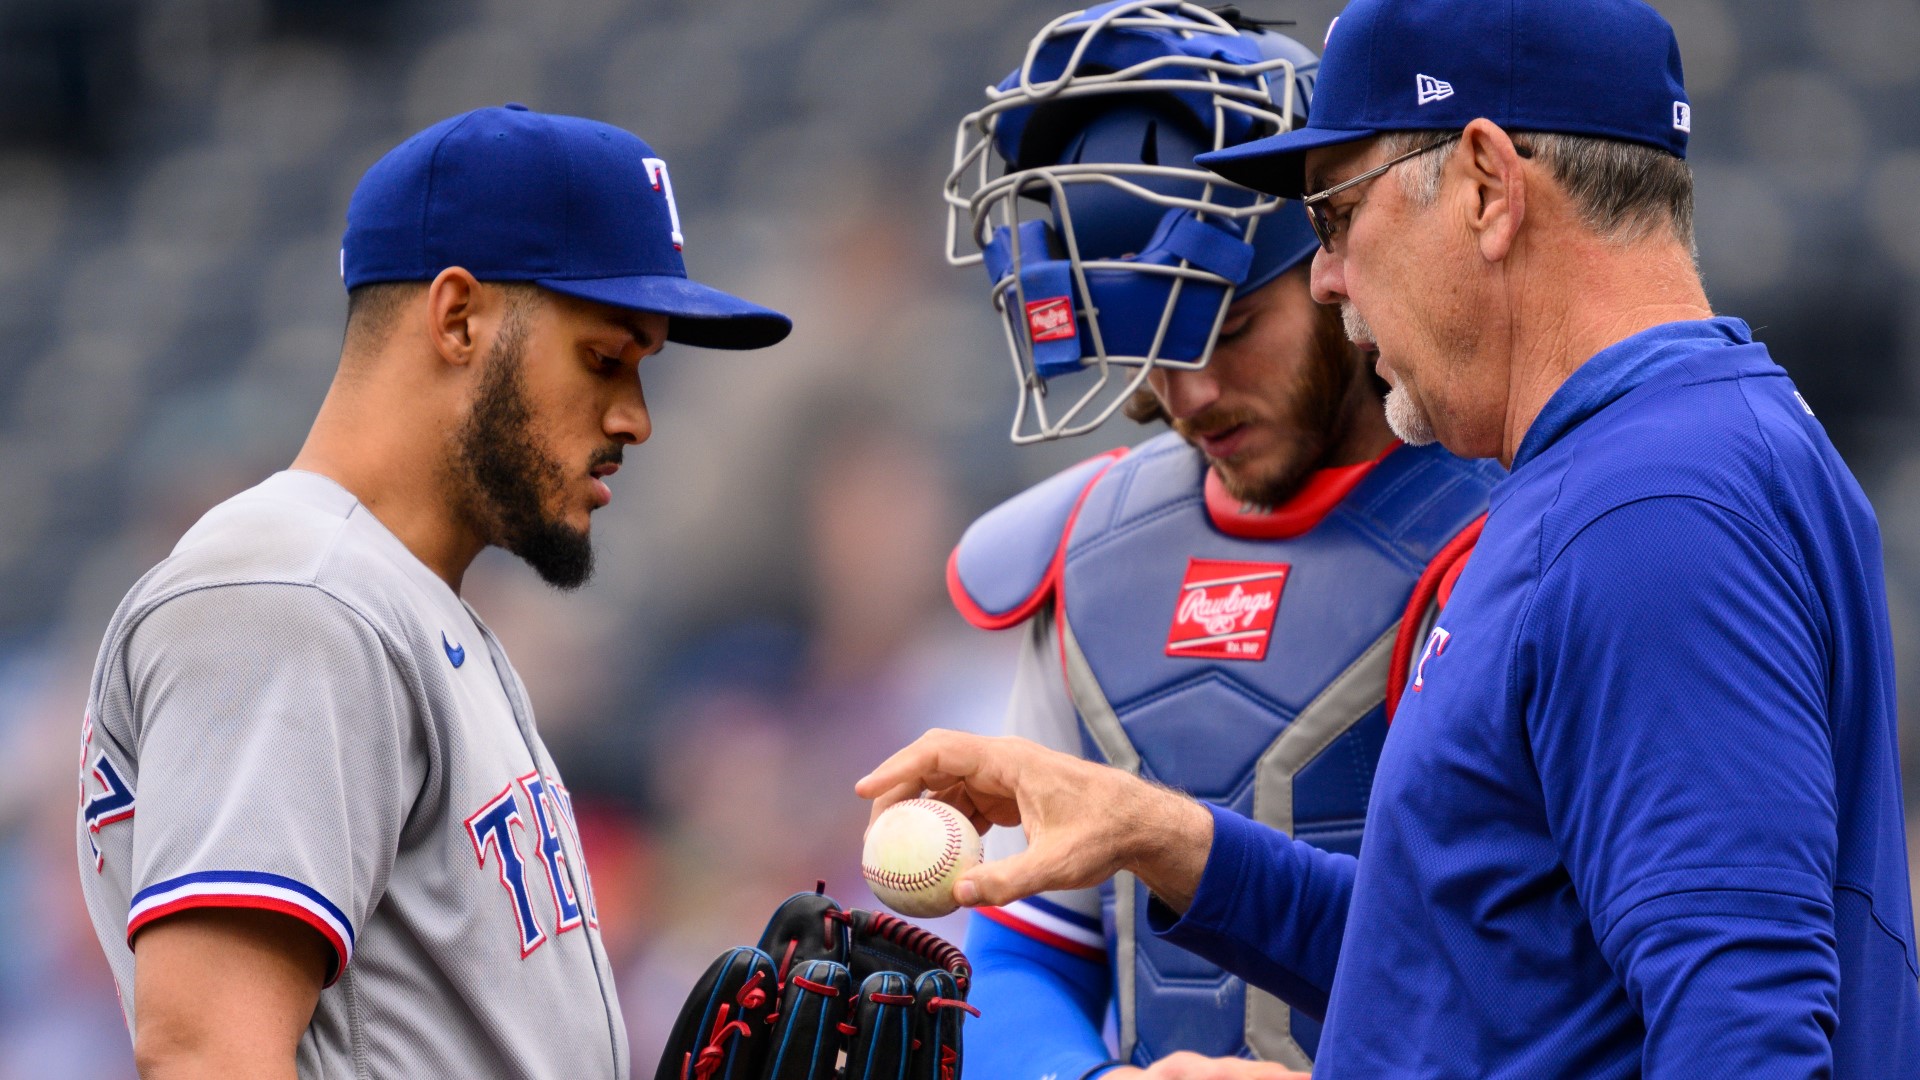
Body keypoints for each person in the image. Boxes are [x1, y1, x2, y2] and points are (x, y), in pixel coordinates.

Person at [864, 0, 1920, 1076]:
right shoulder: (1644, 465)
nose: (1328, 277)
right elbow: (1464, 966)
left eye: (1333, 215)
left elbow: (1746, 1040)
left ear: (1485, 187)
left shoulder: (1653, 514)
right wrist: (1162, 835)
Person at [74, 104, 789, 1080]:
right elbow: (207, 1053)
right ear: (459, 318)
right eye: (606, 358)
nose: (634, 417)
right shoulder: (295, 592)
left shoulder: (394, 600)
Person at [940, 4, 1498, 1076]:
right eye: (1146, 344)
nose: (1187, 393)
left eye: (1229, 327)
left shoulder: (1505, 529)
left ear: (1335, 264)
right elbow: (1024, 954)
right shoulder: (1088, 551)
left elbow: (1526, 979)